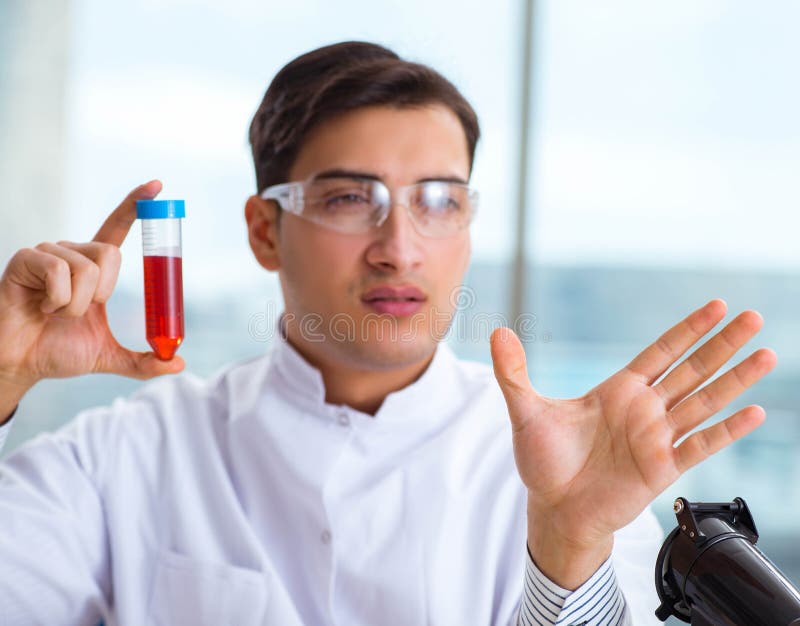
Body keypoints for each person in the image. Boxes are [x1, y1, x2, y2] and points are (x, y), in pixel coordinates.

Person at [0, 41, 776, 625]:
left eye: (438, 200)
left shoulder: (571, 477)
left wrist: (569, 550)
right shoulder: (124, 456)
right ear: (265, 230)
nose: (399, 246)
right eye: (348, 198)